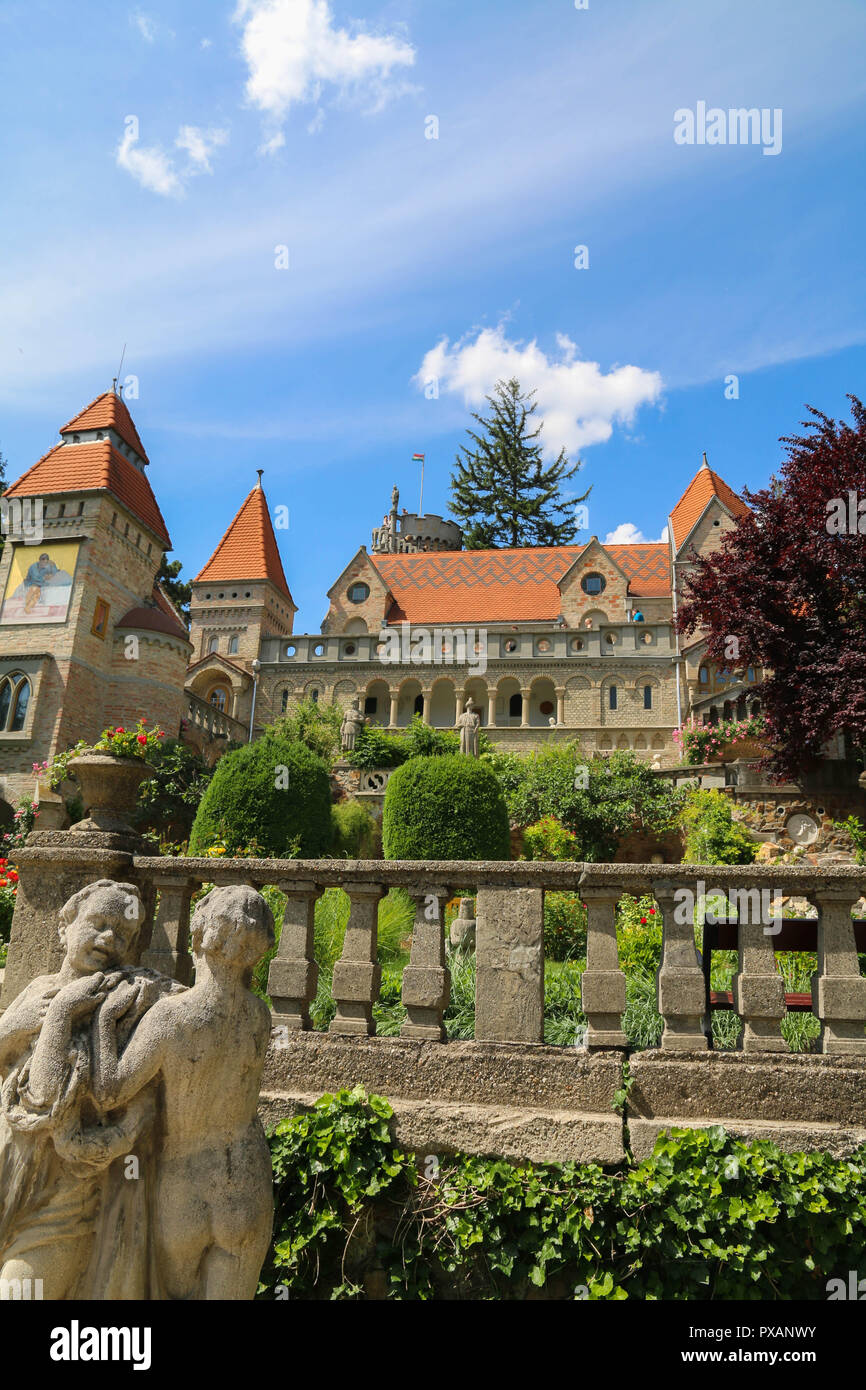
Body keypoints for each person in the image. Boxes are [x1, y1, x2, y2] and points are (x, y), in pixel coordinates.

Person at [90, 885, 275, 1300]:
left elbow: (109, 1091)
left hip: (183, 1184)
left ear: (198, 937)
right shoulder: (259, 1016)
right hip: (245, 1181)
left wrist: (104, 1018)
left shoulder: (172, 1016)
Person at [0, 880, 178, 1299]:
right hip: (8, 1172)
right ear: (65, 926)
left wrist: (63, 1015)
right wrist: (12, 1026)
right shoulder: (36, 991)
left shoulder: (129, 1000)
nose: (109, 939)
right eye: (98, 923)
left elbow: (42, 1101)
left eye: (123, 934)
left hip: (63, 1195)